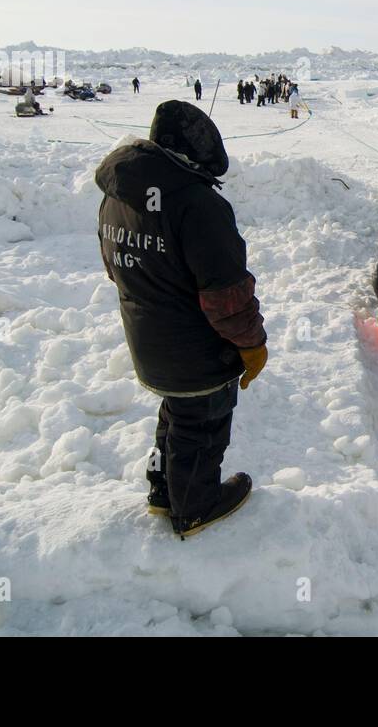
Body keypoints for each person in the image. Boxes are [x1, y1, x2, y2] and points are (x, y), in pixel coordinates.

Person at [94, 101, 268, 536]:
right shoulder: (198, 205)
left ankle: (162, 490)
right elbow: (226, 296)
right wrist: (251, 344)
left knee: (175, 416)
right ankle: (193, 506)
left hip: (148, 337)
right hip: (197, 350)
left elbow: (114, 268)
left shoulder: (120, 194)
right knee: (203, 425)